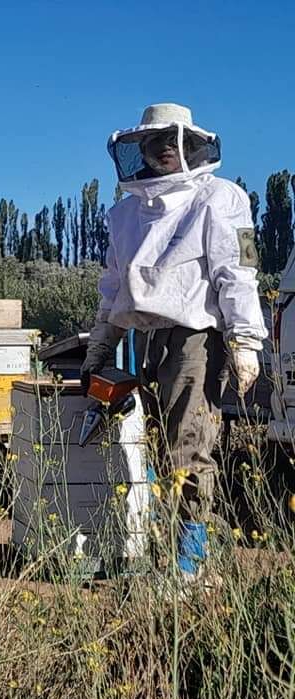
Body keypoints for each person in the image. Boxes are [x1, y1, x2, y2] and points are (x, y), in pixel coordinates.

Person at [82, 103, 266, 582]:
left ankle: (190, 563)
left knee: (187, 445)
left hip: (195, 338)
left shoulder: (221, 197)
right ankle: (170, 549)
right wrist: (101, 342)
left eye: (172, 141)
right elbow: (113, 285)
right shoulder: (124, 213)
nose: (164, 150)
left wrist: (245, 338)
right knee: (152, 447)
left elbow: (239, 270)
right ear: (139, 149)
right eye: (154, 142)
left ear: (191, 145)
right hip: (142, 339)